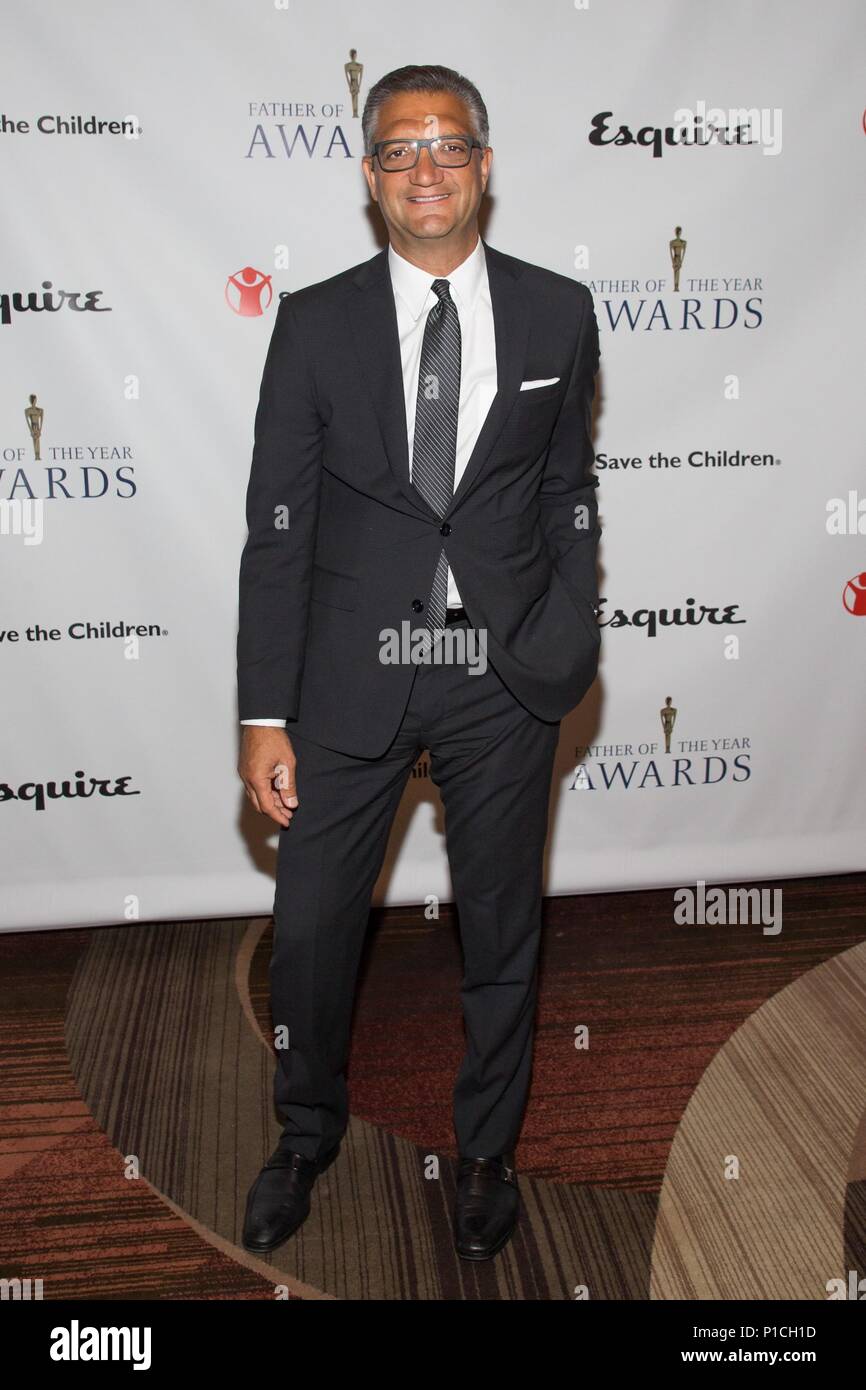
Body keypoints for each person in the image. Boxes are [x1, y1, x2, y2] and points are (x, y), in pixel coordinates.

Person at [236, 63, 602, 1262]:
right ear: (368, 176)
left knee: (499, 927)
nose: (426, 167)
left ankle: (487, 1149)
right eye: (400, 149)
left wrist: (568, 622)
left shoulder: (557, 311)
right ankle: (304, 1132)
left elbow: (564, 492)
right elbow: (276, 526)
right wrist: (262, 712)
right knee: (309, 933)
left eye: (449, 145)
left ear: (484, 166)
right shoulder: (315, 320)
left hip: (501, 676)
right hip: (350, 673)